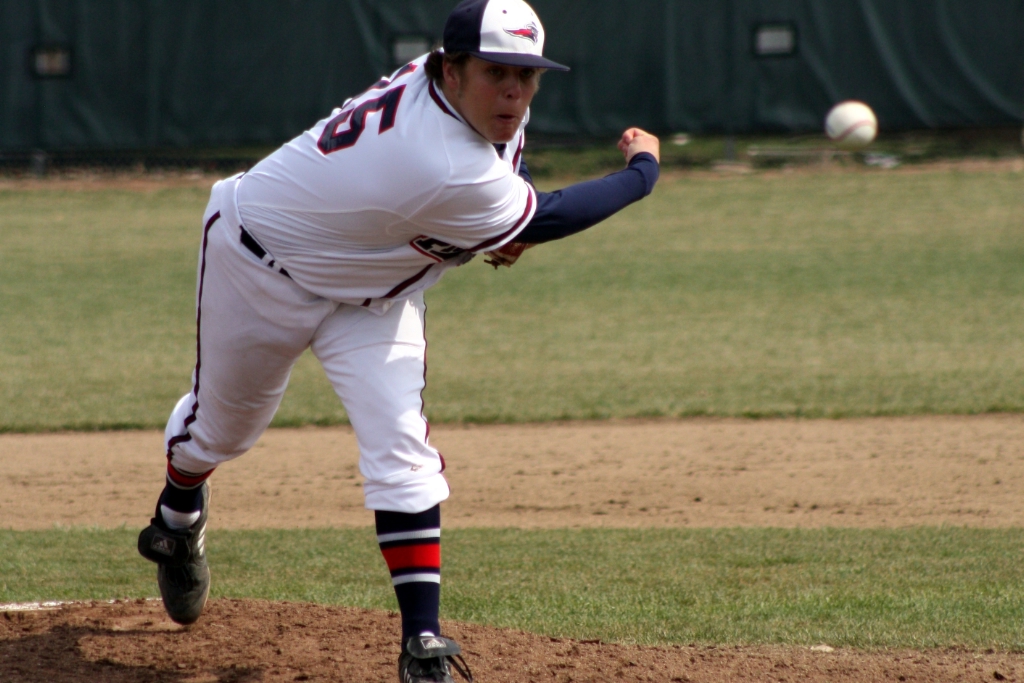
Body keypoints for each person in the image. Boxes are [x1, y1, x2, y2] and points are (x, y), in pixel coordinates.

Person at [136, 0, 660, 681]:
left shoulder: (473, 102)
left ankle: (423, 644)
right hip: (260, 261)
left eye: (528, 75)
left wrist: (497, 224)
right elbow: (542, 216)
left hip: (375, 292)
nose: (515, 91)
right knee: (220, 432)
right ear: (450, 68)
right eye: (499, 71)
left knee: (402, 448)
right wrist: (640, 174)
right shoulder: (433, 154)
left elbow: (507, 179)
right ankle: (178, 515)